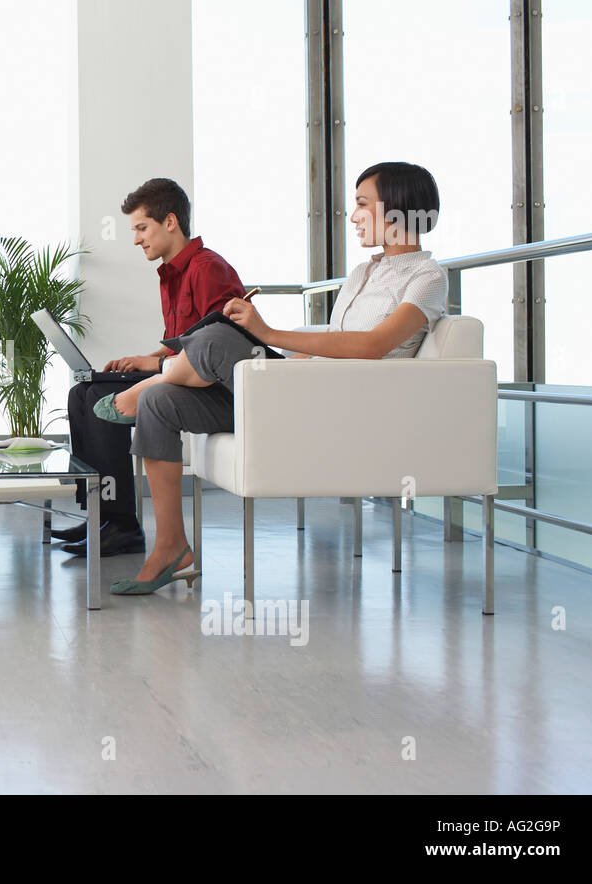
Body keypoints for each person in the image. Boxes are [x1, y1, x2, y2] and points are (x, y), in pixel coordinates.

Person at [104, 161, 449, 595]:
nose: (353, 214)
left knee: (211, 338)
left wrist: (266, 334)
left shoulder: (428, 277)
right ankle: (172, 544)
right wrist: (282, 356)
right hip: (302, 389)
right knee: (161, 404)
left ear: (398, 209)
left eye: (362, 203)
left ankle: (152, 381)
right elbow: (334, 339)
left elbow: (373, 345)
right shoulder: (363, 272)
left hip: (338, 406)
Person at [55, 178, 245, 557]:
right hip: (182, 371)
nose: (137, 239)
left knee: (99, 397)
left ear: (170, 222)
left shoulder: (208, 269)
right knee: (82, 391)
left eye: (142, 228)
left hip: (210, 386)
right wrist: (150, 359)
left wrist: (159, 366)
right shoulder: (171, 272)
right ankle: (101, 513)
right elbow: (184, 338)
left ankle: (122, 525)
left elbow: (218, 343)